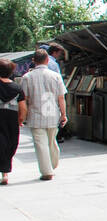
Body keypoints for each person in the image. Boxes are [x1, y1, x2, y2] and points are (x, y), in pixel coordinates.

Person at [20, 49, 67, 180]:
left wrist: (22, 117)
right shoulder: (56, 76)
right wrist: (63, 114)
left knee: (41, 144)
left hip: (35, 115)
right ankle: (53, 162)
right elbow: (61, 97)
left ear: (33, 61)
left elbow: (25, 99)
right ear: (47, 60)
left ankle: (47, 172)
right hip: (53, 114)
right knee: (51, 140)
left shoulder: (26, 77)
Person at [0, 59, 26, 184]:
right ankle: (4, 173)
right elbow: (23, 109)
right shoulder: (17, 88)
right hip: (11, 121)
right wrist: (20, 121)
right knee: (9, 146)